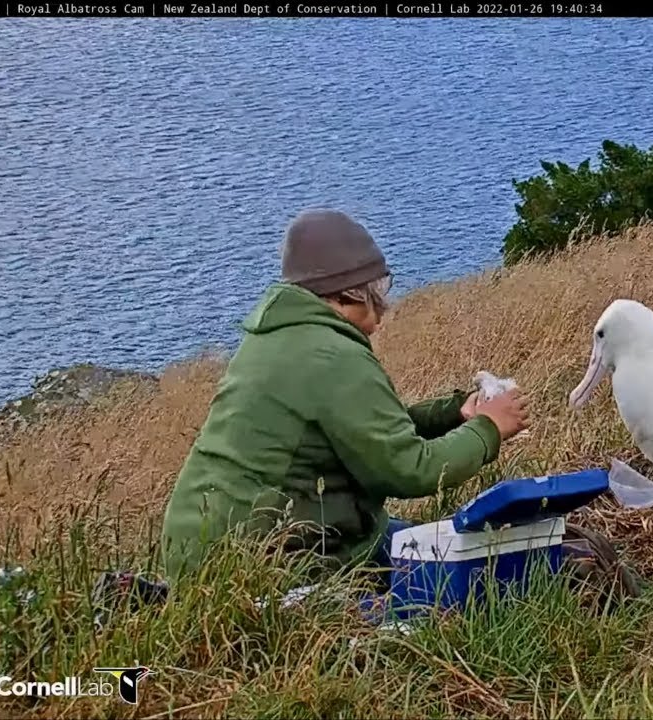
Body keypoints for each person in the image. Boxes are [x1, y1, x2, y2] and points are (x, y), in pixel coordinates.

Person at [159, 208, 530, 584]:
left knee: (422, 545)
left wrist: (452, 414)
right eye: (379, 287)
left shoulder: (275, 339)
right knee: (463, 572)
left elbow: (362, 432)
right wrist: (490, 428)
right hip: (261, 566)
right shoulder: (334, 357)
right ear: (351, 290)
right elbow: (412, 471)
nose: (384, 302)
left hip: (202, 551)